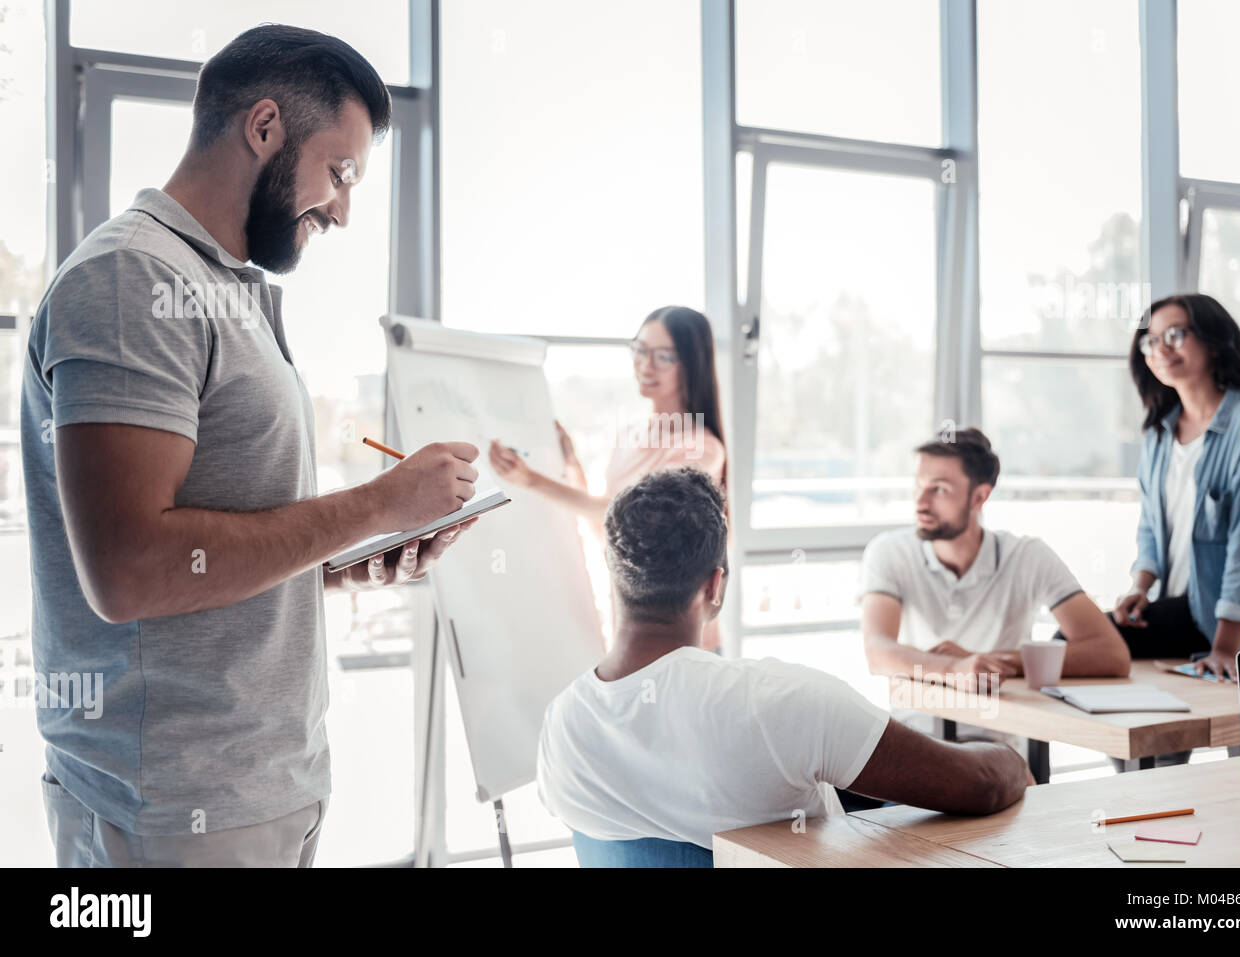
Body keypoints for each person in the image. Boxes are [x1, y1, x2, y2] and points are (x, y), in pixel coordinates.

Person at [20, 25, 480, 867]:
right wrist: (380, 501)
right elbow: (130, 569)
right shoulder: (133, 281)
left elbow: (216, 542)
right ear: (264, 127)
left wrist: (341, 558)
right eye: (339, 173)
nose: (342, 208)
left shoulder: (227, 288)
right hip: (169, 806)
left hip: (266, 788)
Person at [536, 468, 1031, 857]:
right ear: (715, 584)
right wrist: (1010, 759)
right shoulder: (780, 700)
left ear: (614, 571)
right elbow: (981, 787)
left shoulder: (562, 722)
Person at [490, 305, 728, 650]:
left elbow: (640, 523)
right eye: (640, 350)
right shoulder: (629, 438)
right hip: (629, 633)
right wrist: (572, 465)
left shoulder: (702, 449)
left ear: (691, 364)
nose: (645, 366)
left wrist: (531, 481)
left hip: (685, 645)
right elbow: (606, 526)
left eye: (663, 357)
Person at [1112, 293, 1240, 681]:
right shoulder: (1159, 434)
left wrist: (1225, 649)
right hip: (1174, 607)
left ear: (1214, 340)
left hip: (1221, 621)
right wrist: (1140, 588)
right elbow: (1150, 525)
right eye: (1151, 340)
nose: (1160, 348)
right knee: (1080, 639)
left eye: (1175, 334)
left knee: (1077, 639)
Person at [860, 428, 1131, 687]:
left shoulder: (1028, 557)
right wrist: (955, 669)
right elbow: (877, 652)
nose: (920, 502)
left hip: (1001, 730)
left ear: (979, 498)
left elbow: (1111, 654)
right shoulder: (889, 552)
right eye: (918, 487)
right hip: (913, 729)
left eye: (939, 489)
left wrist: (994, 663)